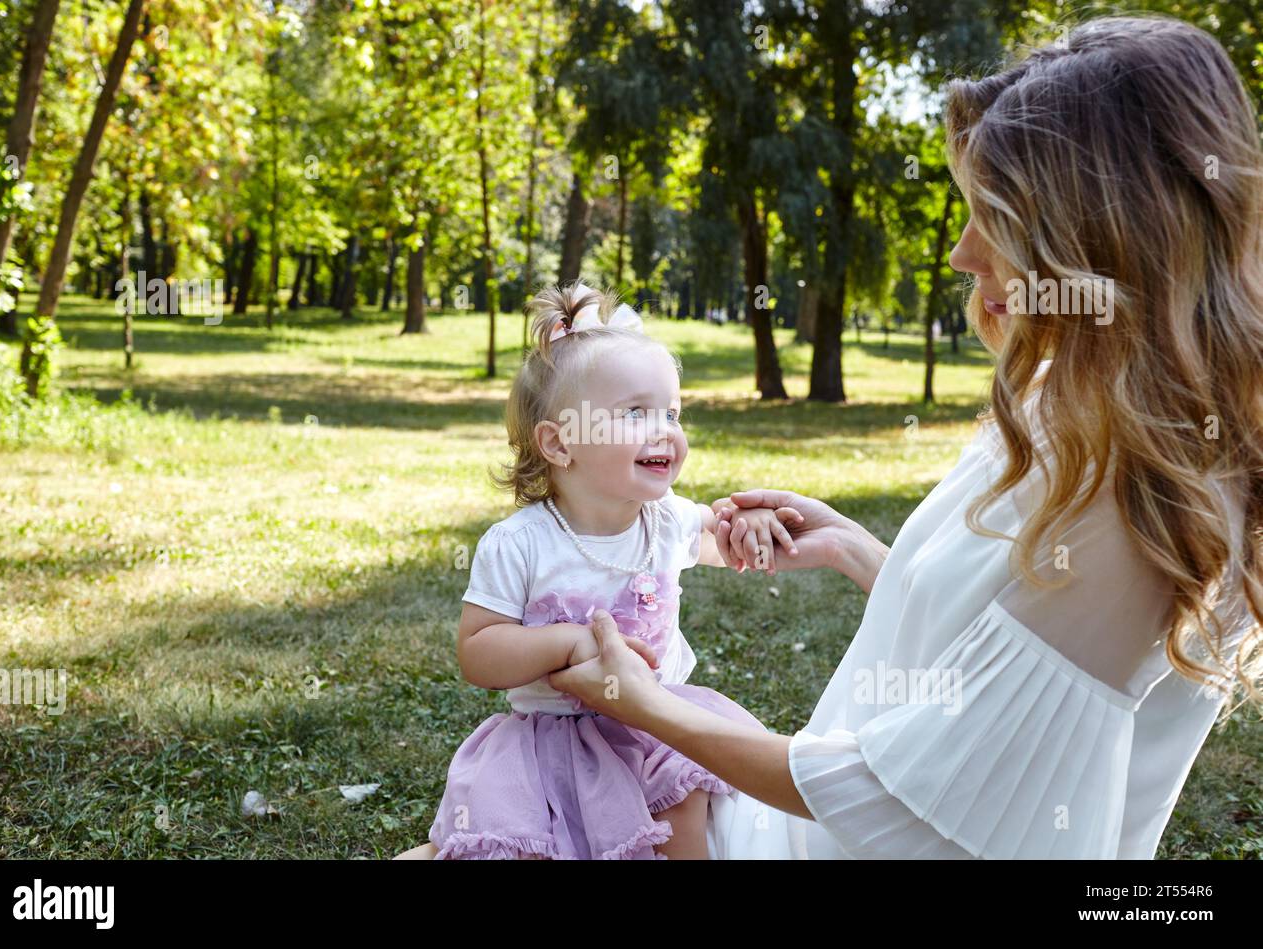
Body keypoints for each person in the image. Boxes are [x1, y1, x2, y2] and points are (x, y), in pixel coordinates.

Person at [541, 15, 1263, 859]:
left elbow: (902, 807)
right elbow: (996, 673)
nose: (961, 254)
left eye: (997, 217)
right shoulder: (1076, 403)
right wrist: (857, 550)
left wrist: (642, 701)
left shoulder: (1139, 497)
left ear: (1104, 239)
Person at [421, 282, 799, 859]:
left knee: (682, 802)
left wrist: (746, 531)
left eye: (672, 412)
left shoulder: (666, 519)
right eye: (636, 413)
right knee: (529, 838)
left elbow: (723, 545)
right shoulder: (521, 543)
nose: (665, 430)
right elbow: (479, 651)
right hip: (550, 743)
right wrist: (568, 642)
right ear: (559, 443)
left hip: (658, 725)